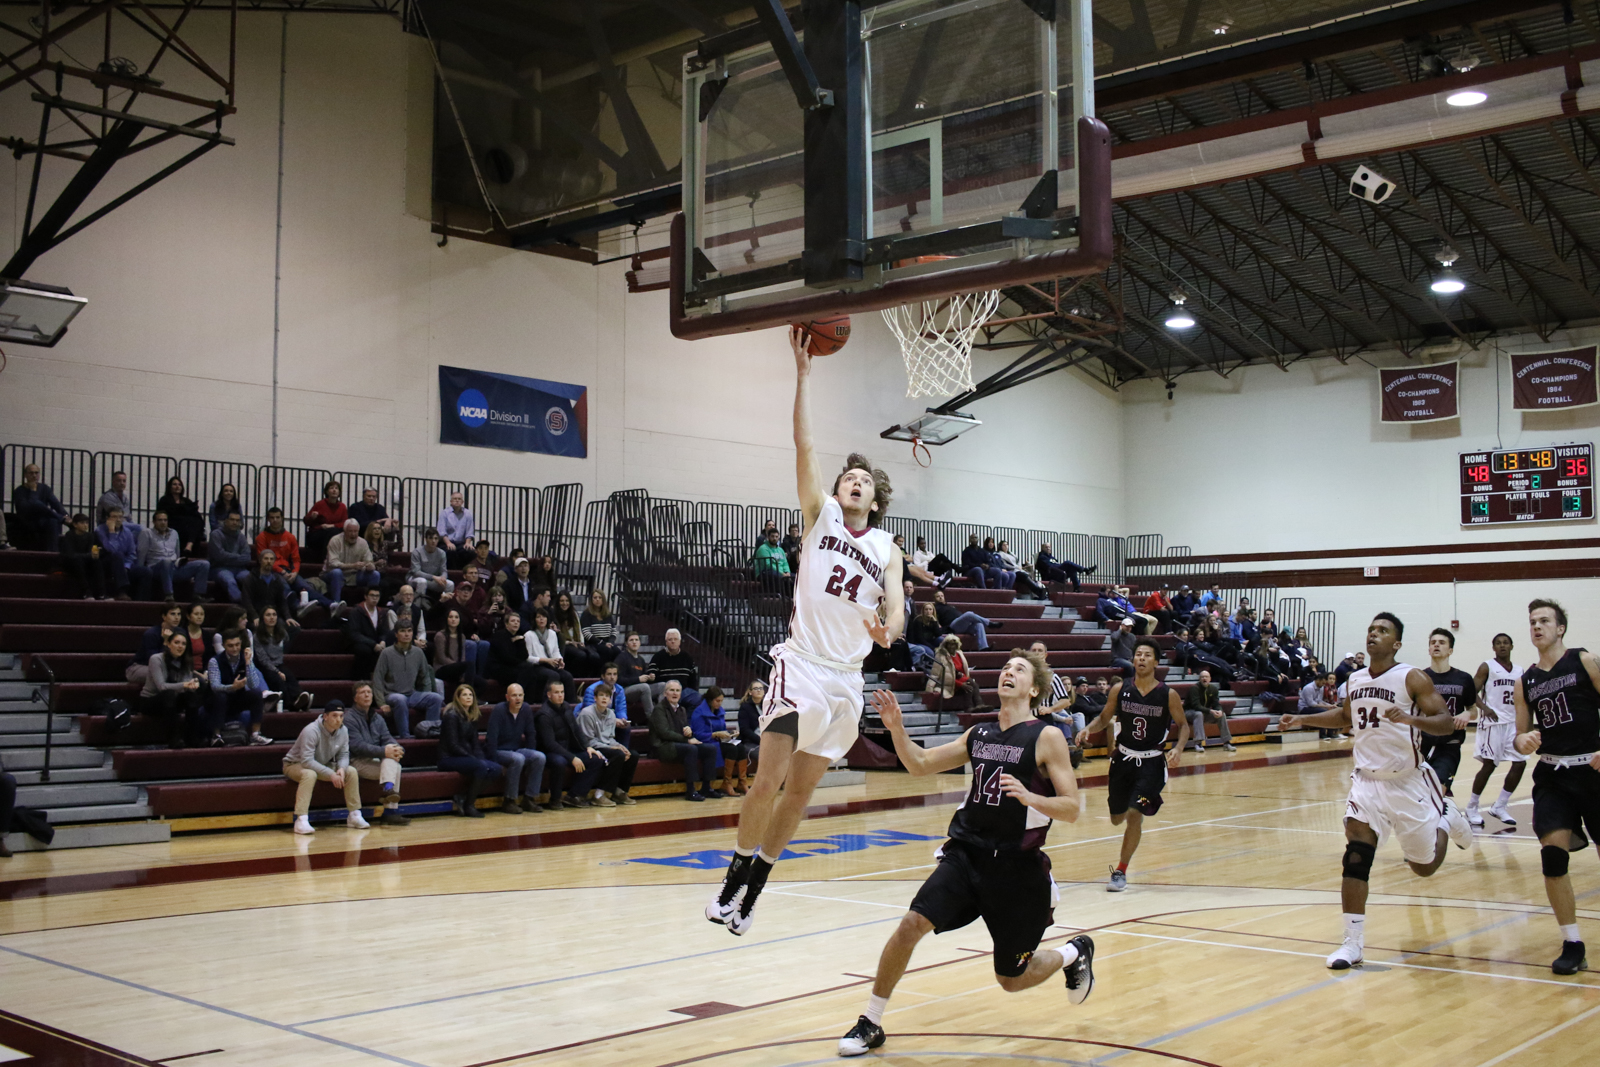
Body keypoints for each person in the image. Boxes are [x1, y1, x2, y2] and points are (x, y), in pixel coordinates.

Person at [706, 325, 906, 938]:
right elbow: (803, 443)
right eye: (849, 477)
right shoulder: (818, 517)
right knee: (768, 778)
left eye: (865, 482)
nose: (854, 482)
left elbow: (897, 611)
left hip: (847, 681)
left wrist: (887, 632)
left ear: (875, 501)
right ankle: (731, 879)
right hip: (801, 664)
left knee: (800, 795)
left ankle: (754, 891)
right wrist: (803, 375)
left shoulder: (887, 546)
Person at [840, 650, 1092, 1056]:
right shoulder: (980, 734)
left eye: (1020, 670)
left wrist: (1030, 796)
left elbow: (1072, 807)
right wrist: (897, 729)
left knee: (1011, 979)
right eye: (1007, 667)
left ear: (1036, 689)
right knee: (910, 925)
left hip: (1016, 869)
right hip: (967, 854)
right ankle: (871, 1021)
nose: (1009, 672)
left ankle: (1073, 952)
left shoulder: (1045, 736)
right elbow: (921, 764)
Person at [1279, 613, 1472, 969]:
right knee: (1356, 854)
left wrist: (1412, 719)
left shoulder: (1412, 677)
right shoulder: (1355, 678)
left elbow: (1445, 722)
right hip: (1366, 780)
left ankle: (1446, 819)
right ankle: (1352, 945)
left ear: (1396, 644)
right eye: (1371, 629)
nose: (1374, 634)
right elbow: (1344, 718)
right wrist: (1303, 718)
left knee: (1423, 868)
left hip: (1408, 781)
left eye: (1383, 631)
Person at [1512, 598, 1600, 975]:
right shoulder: (1526, 679)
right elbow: (1518, 735)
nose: (1536, 627)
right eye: (1532, 621)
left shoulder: (1584, 660)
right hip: (1552, 776)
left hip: (1592, 770)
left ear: (1560, 628)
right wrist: (1524, 741)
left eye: (1544, 620)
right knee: (1553, 858)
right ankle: (1572, 942)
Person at [1086, 637, 1189, 892]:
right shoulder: (1120, 689)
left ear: (1156, 661)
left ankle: (1120, 871)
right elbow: (1104, 718)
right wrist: (1087, 729)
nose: (1141, 658)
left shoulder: (1168, 694)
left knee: (1135, 813)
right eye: (1138, 654)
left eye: (1146, 655)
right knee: (1116, 818)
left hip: (1152, 765)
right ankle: (1133, 809)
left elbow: (1184, 725)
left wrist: (1178, 748)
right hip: (1122, 762)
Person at [1467, 632, 1526, 828]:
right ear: (1494, 648)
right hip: (1492, 724)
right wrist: (1484, 708)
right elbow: (1470, 691)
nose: (1502, 646)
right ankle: (1472, 807)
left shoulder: (1519, 671)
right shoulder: (1487, 667)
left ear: (1511, 646)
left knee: (1520, 763)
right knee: (1490, 765)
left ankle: (1500, 806)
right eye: (1498, 643)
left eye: (1505, 643)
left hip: (1512, 724)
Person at [283, 702, 369, 834]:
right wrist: (330, 774)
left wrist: (341, 768)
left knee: (350, 771)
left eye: (341, 716)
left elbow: (344, 754)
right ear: (325, 716)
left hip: (319, 764)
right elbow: (306, 761)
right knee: (309, 774)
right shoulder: (311, 730)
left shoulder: (343, 730)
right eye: (334, 716)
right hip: (294, 764)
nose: (338, 719)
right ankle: (301, 819)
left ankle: (354, 815)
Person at [344, 683, 410, 826]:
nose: (367, 695)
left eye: (369, 692)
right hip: (356, 761)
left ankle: (388, 790)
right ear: (355, 698)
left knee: (393, 762)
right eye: (362, 692)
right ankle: (389, 805)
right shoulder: (349, 718)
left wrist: (397, 748)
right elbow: (357, 746)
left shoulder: (377, 717)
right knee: (393, 765)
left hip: (373, 759)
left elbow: (387, 737)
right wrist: (384, 751)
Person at [536, 679, 609, 808]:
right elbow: (549, 743)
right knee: (559, 762)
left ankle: (574, 795)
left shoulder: (566, 707)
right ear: (549, 695)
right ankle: (555, 799)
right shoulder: (544, 715)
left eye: (562, 692)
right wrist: (572, 757)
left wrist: (588, 747)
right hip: (550, 752)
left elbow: (577, 730)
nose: (560, 695)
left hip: (568, 749)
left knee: (596, 759)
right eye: (557, 692)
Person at [1420, 627, 1475, 797]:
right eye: (1433, 642)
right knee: (1420, 794)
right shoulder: (1419, 678)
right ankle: (1446, 813)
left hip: (1449, 743)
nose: (1436, 645)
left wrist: (1466, 714)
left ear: (1450, 650)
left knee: (1436, 791)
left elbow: (1473, 710)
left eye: (1441, 642)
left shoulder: (1463, 678)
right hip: (1422, 744)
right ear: (1429, 649)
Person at [255, 507, 336, 619]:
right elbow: (263, 559)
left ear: (282, 518)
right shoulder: (261, 537)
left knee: (303, 585)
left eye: (277, 517)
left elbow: (296, 559)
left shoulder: (290, 537)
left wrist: (294, 572)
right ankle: (298, 606)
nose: (275, 520)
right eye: (272, 518)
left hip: (288, 570)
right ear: (268, 519)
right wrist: (282, 571)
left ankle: (330, 604)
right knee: (283, 585)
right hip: (271, 571)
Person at [651, 680, 719, 802]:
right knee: (691, 749)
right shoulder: (659, 709)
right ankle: (691, 790)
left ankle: (707, 787)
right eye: (672, 690)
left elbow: (685, 729)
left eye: (677, 691)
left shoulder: (681, 709)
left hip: (679, 743)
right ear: (665, 693)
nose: (675, 693)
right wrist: (687, 740)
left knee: (710, 749)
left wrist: (689, 732)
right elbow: (664, 733)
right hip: (663, 747)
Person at [485, 683, 547, 814]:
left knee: (539, 757)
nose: (518, 698)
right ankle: (509, 801)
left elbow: (531, 734)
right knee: (518, 759)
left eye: (520, 695)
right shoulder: (499, 710)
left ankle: (529, 799)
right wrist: (494, 761)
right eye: (514, 695)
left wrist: (531, 754)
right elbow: (491, 738)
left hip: (516, 749)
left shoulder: (526, 709)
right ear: (507, 697)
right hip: (499, 750)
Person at [372, 622, 440, 740]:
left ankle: (429, 731)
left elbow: (425, 677)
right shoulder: (386, 653)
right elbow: (377, 678)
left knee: (436, 698)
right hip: (392, 694)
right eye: (403, 631)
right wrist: (381, 703)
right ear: (396, 634)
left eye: (409, 631)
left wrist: (426, 693)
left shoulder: (418, 652)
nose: (406, 634)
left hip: (412, 694)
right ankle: (405, 737)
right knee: (400, 699)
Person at [437, 684, 497, 818]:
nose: (468, 697)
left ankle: (463, 797)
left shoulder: (472, 715)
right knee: (481, 767)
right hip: (448, 758)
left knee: (495, 769)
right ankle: (469, 805)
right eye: (464, 695)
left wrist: (479, 757)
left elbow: (475, 742)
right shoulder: (451, 716)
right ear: (458, 698)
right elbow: (453, 745)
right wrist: (473, 759)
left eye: (470, 695)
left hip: (465, 756)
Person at [140, 630, 208, 748]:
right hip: (151, 700)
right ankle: (173, 739)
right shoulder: (156, 659)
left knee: (191, 696)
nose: (180, 646)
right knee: (169, 694)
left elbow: (186, 686)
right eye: (176, 642)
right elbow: (161, 686)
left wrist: (192, 686)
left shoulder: (187, 661)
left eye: (183, 644)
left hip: (174, 700)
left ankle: (192, 738)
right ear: (168, 644)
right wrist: (185, 685)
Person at [578, 682, 638, 805]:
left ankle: (619, 792)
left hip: (603, 746)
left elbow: (610, 737)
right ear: (595, 698)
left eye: (607, 696)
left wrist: (620, 746)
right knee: (618, 755)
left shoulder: (611, 713)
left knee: (633, 755)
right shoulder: (587, 713)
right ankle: (598, 795)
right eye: (601, 695)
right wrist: (614, 749)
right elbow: (589, 740)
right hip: (588, 748)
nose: (605, 698)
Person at [206, 631, 269, 746]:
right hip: (218, 700)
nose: (235, 648)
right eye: (230, 645)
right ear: (224, 646)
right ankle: (216, 736)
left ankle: (256, 734)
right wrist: (232, 687)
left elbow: (254, 685)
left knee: (256, 693)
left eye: (237, 645)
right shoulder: (215, 661)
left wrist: (248, 663)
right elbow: (215, 686)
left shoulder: (245, 658)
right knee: (220, 697)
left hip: (237, 699)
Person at [132, 511, 212, 601]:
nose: (163, 522)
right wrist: (141, 570)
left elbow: (177, 553)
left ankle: (198, 595)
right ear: (154, 522)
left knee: (204, 564)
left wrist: (180, 561)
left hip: (174, 566)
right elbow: (141, 553)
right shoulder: (147, 533)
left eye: (165, 520)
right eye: (160, 520)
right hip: (156, 568)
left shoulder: (174, 533)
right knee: (167, 561)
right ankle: (169, 595)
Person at [254, 606, 311, 712]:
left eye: (274, 615)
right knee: (278, 680)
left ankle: (300, 698)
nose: (272, 618)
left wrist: (279, 669)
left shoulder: (282, 633)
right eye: (268, 615)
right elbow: (263, 659)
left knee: (290, 677)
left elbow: (284, 647)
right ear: (262, 618)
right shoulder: (257, 636)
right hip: (265, 666)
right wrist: (277, 671)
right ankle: (291, 705)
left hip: (279, 664)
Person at [691, 686, 738, 798]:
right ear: (710, 699)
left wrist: (730, 733)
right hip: (705, 741)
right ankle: (707, 786)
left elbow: (722, 728)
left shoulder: (720, 711)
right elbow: (698, 734)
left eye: (721, 701)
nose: (720, 703)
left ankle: (729, 782)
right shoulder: (699, 712)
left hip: (718, 740)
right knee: (714, 749)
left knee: (738, 748)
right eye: (717, 701)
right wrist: (715, 734)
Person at [10, 463, 66, 551]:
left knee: (53, 521)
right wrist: (33, 491)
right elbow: (28, 507)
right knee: (37, 503)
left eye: (36, 473)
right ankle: (61, 518)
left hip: (43, 520)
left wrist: (66, 515)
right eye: (31, 473)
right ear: (25, 475)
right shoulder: (19, 491)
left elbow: (56, 503)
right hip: (27, 520)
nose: (34, 475)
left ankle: (52, 554)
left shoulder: (45, 488)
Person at [59, 513, 114, 599]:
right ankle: (86, 592)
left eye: (87, 523)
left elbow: (96, 550)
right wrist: (89, 555)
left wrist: (96, 553)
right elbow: (69, 554)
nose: (85, 525)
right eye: (82, 523)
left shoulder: (90, 536)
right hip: (72, 563)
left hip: (85, 561)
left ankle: (101, 593)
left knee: (97, 563)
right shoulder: (69, 535)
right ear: (75, 524)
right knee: (78, 562)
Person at [324, 519, 380, 603]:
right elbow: (332, 563)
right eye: (350, 531)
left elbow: (369, 561)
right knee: (337, 572)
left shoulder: (363, 542)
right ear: (344, 531)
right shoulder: (335, 540)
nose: (353, 534)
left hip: (355, 575)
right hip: (334, 573)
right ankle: (336, 604)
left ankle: (370, 604)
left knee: (375, 574)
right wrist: (352, 566)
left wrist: (370, 566)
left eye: (356, 531)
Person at [522, 609, 575, 697]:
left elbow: (556, 652)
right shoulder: (529, 635)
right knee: (553, 676)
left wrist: (560, 660)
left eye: (544, 617)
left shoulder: (552, 634)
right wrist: (546, 660)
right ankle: (547, 702)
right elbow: (528, 658)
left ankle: (571, 703)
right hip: (537, 666)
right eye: (538, 617)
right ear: (534, 620)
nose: (541, 619)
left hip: (551, 663)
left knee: (568, 676)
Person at [207, 512, 255, 606]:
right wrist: (237, 556)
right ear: (225, 521)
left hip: (239, 569)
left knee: (251, 578)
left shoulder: (241, 537)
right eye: (232, 520)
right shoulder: (216, 534)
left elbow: (247, 557)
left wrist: (228, 557)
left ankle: (256, 603)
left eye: (237, 520)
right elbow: (219, 556)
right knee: (229, 581)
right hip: (219, 568)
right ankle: (241, 603)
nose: (235, 523)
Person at [346, 585, 393, 678]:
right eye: (372, 595)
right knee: (364, 651)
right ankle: (361, 677)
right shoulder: (357, 611)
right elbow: (354, 633)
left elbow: (384, 631)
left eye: (377, 596)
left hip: (376, 642)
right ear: (366, 596)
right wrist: (373, 644)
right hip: (361, 642)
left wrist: (383, 641)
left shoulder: (381, 612)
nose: (375, 598)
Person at [931, 589, 1000, 651]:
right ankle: (989, 623)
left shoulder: (950, 606)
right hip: (952, 626)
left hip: (962, 625)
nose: (940, 597)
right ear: (934, 599)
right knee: (969, 614)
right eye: (938, 596)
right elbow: (933, 618)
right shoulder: (935, 608)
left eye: (942, 595)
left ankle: (983, 647)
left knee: (979, 624)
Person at [1184, 670, 1234, 754]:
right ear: (1199, 679)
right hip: (1189, 713)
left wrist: (1219, 711)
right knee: (1199, 714)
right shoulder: (1194, 688)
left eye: (1206, 677)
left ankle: (1226, 742)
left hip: (1204, 713)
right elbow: (1196, 706)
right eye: (1202, 677)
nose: (1204, 678)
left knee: (1222, 715)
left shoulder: (1213, 689)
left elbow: (1216, 704)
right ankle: (1198, 743)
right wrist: (1210, 711)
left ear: (1210, 679)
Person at [553, 591, 601, 675]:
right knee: (581, 655)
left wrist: (581, 642)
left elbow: (579, 629)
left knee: (594, 656)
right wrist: (569, 642)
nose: (565, 603)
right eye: (562, 601)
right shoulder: (554, 614)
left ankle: (588, 678)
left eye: (567, 601)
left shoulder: (574, 614)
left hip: (576, 642)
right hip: (564, 644)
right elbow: (555, 636)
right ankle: (576, 678)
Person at [155, 477, 205, 557]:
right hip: (172, 525)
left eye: (179, 484)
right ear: (170, 487)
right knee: (190, 522)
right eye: (174, 484)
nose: (177, 486)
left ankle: (189, 545)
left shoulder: (186, 501)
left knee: (197, 521)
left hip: (187, 527)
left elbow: (196, 515)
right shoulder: (165, 500)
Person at [433, 608, 479, 692]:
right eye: (451, 617)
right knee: (469, 665)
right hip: (442, 668)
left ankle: (466, 696)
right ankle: (470, 694)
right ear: (446, 619)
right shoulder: (440, 635)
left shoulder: (461, 636)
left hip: (457, 668)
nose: (453, 619)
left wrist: (460, 669)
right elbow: (442, 658)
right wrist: (459, 668)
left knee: (481, 683)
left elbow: (463, 656)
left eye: (456, 617)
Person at [95, 506, 136, 599]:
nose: (118, 520)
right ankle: (122, 591)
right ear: (107, 518)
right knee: (117, 555)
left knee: (145, 572)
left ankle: (142, 602)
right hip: (106, 563)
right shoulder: (100, 531)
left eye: (120, 517)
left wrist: (126, 566)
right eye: (114, 517)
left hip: (124, 564)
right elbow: (111, 550)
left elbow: (132, 553)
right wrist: (111, 531)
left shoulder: (128, 532)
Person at [303, 480, 347, 561]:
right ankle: (326, 559)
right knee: (332, 533)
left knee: (334, 531)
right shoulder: (320, 504)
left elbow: (345, 523)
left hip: (334, 533)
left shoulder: (342, 506)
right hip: (317, 534)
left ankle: (329, 558)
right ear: (327, 491)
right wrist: (312, 517)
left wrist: (332, 525)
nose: (334, 490)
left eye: (336, 488)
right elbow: (306, 521)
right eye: (331, 488)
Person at [408, 527, 453, 606]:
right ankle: (418, 607)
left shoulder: (442, 553)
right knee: (422, 582)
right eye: (431, 538)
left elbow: (444, 570)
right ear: (426, 539)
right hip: (415, 578)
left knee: (450, 584)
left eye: (436, 538)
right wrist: (434, 577)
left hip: (433, 580)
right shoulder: (417, 552)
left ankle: (445, 607)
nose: (433, 541)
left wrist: (443, 578)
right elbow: (416, 572)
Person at [616, 631, 656, 718]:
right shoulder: (622, 657)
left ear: (640, 643)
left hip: (640, 690)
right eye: (631, 640)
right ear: (626, 644)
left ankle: (662, 716)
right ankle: (653, 720)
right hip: (624, 690)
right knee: (644, 687)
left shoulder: (641, 659)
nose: (634, 642)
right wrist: (638, 679)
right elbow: (618, 679)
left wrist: (649, 677)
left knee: (663, 686)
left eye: (636, 640)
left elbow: (643, 676)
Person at [650, 628, 700, 694]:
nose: (673, 641)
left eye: (675, 639)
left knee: (699, 699)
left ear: (680, 641)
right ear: (666, 642)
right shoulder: (657, 657)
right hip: (666, 692)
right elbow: (652, 678)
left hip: (684, 691)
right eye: (670, 639)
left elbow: (693, 680)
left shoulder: (687, 657)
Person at [580, 589, 622, 667]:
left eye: (600, 597)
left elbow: (613, 631)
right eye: (595, 598)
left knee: (618, 652)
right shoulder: (587, 614)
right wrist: (602, 643)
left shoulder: (607, 614)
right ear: (591, 600)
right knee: (607, 651)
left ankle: (615, 673)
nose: (597, 600)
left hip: (607, 642)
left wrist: (611, 642)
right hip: (594, 643)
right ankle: (603, 672)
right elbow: (586, 633)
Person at [437, 490, 476, 566]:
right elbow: (441, 531)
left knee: (471, 552)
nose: (457, 500)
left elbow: (469, 532)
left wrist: (468, 543)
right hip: (446, 542)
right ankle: (452, 572)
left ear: (462, 502)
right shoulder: (445, 513)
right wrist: (448, 543)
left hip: (461, 543)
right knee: (451, 551)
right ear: (451, 501)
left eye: (459, 499)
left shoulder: (468, 514)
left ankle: (463, 571)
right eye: (455, 499)